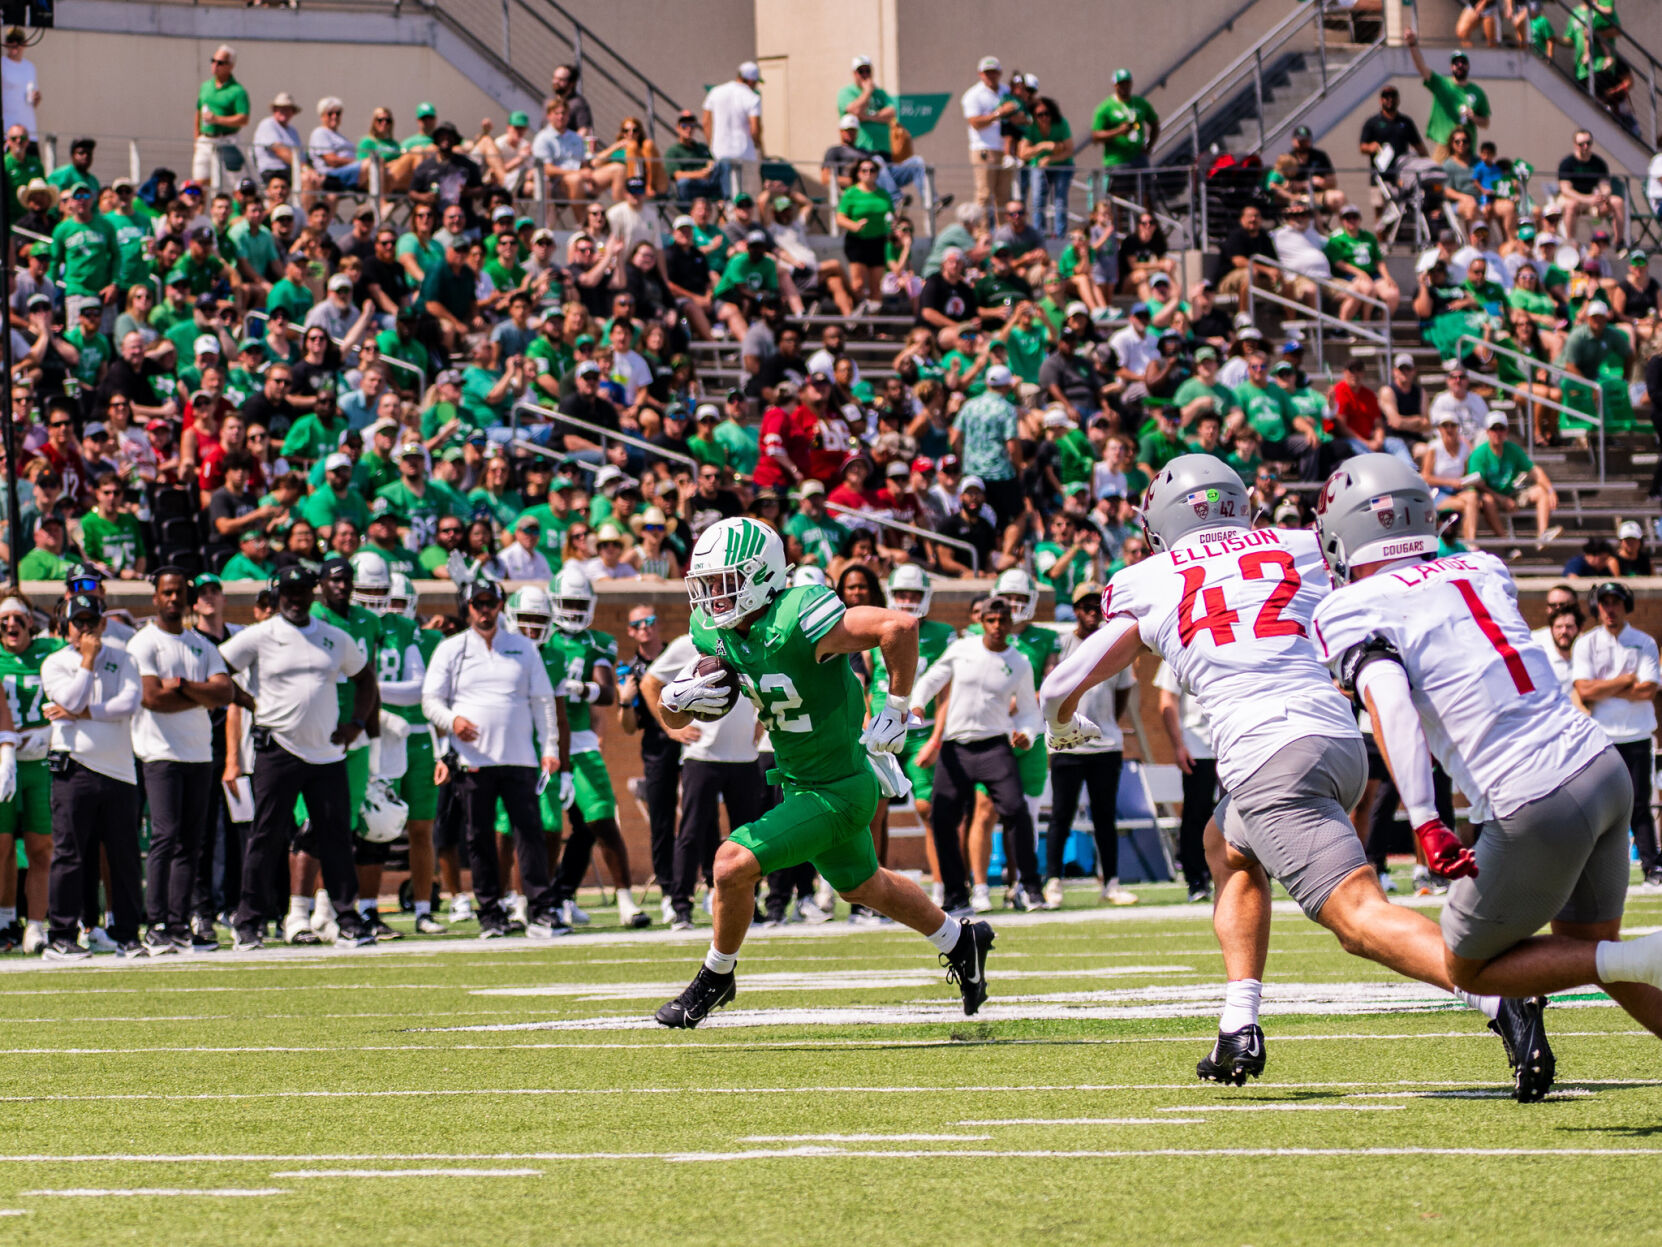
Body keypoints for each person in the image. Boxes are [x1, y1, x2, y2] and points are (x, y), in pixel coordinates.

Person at [1039, 454, 1533, 1088]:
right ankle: (1237, 1028)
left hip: (1268, 755)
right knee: (1225, 845)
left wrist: (1060, 719)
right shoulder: (1302, 545)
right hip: (1335, 736)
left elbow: (1062, 682)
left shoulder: (1148, 578)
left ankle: (1496, 994)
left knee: (1357, 918)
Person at [1313, 454, 1662, 1096]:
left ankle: (1641, 954)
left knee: (1468, 968)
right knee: (1591, 948)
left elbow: (1392, 707)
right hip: (1602, 768)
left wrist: (1425, 820)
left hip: (1533, 796)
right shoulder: (1481, 565)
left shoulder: (1350, 607)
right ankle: (1635, 958)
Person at [652, 516, 994, 1027]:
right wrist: (675, 699)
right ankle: (960, 938)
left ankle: (716, 975)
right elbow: (673, 718)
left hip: (840, 787)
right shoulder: (712, 631)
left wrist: (896, 708)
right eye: (707, 585)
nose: (715, 597)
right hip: (799, 782)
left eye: (726, 582)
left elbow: (898, 627)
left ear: (763, 576)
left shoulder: (798, 613)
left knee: (730, 864)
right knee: (865, 887)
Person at [219, 565, 378, 950]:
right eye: (288, 592)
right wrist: (244, 699)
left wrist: (356, 724)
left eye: (302, 590)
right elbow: (217, 670)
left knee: (336, 836)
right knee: (266, 836)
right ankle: (250, 919)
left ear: (314, 594)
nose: (295, 598)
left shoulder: (333, 637)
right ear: (277, 596)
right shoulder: (260, 636)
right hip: (279, 749)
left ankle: (346, 916)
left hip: (327, 752)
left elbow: (365, 678)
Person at [421, 576, 570, 939]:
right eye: (478, 604)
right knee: (478, 836)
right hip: (473, 760)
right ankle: (490, 912)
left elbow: (543, 701)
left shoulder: (523, 646)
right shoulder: (451, 649)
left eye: (490, 603)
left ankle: (540, 909)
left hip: (519, 758)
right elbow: (430, 699)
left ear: (500, 605)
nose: (484, 611)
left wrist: (550, 749)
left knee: (530, 833)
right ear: (468, 607)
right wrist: (452, 720)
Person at [910, 592, 1043, 913]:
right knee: (942, 817)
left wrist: (1026, 733)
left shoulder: (1019, 663)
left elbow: (1028, 711)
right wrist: (915, 705)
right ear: (981, 622)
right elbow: (930, 681)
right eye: (991, 620)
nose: (997, 626)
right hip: (956, 748)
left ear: (1011, 624)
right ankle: (957, 893)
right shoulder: (961, 649)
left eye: (1003, 621)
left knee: (1016, 810)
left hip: (995, 747)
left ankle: (1030, 887)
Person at [129, 567, 235, 953]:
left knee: (192, 842)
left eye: (179, 593)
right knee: (165, 836)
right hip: (160, 753)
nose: (173, 599)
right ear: (156, 597)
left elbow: (225, 692)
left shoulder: (201, 646)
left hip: (198, 754)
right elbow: (152, 697)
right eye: (166, 593)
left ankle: (178, 921)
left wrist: (185, 686)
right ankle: (156, 922)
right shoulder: (144, 643)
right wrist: (200, 695)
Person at [532, 570, 645, 929]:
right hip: (540, 743)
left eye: (580, 604)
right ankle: (542, 899)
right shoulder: (539, 640)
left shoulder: (598, 641)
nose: (574, 611)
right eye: (568, 603)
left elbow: (608, 692)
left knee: (599, 820)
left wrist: (578, 689)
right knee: (546, 827)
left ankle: (624, 901)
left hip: (579, 739)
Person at [38, 593, 143, 961]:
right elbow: (69, 694)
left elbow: (129, 704)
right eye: (77, 622)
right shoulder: (55, 662)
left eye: (90, 621)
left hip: (119, 770)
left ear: (102, 623)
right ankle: (62, 935)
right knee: (69, 855)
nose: (85, 629)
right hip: (75, 768)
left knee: (124, 856)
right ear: (65, 627)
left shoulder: (125, 658)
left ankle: (127, 933)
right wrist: (87, 660)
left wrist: (82, 714)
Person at [647, 619, 764, 931]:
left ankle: (750, 903)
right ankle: (680, 904)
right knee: (692, 831)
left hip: (744, 755)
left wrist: (761, 720)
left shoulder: (750, 640)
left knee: (751, 836)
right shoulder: (690, 643)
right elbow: (651, 681)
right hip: (702, 755)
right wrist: (671, 729)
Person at [1043, 579, 1136, 910]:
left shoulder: (1114, 644)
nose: (1092, 612)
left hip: (1105, 744)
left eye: (1097, 605)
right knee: (1061, 815)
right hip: (1067, 744)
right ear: (1075, 610)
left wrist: (1105, 723)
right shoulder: (1062, 644)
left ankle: (1110, 882)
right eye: (1085, 606)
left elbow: (1124, 689)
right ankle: (1053, 881)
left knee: (1104, 816)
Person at [1572, 580, 1661, 886]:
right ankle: (1593, 870)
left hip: (1636, 733)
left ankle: (1652, 867)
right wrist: (1624, 681)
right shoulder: (1585, 643)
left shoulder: (1644, 641)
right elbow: (1583, 688)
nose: (1610, 609)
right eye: (1605, 602)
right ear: (1598, 607)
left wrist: (1604, 688)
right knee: (1596, 806)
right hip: (1601, 736)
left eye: (1616, 602)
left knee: (1639, 804)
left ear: (1626, 605)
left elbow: (1648, 689)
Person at [617, 603, 685, 922]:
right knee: (661, 821)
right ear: (631, 631)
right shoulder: (629, 670)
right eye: (638, 623)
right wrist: (624, 698)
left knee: (701, 816)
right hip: (657, 746)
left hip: (690, 741)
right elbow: (628, 727)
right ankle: (670, 893)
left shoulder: (678, 653)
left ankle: (709, 886)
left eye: (650, 621)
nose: (645, 627)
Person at [1155, 657, 1215, 903]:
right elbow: (1167, 698)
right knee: (1196, 812)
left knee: (1243, 813)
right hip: (1197, 744)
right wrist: (1178, 745)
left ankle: (1252, 874)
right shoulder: (1178, 643)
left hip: (1234, 741)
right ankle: (1197, 879)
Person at [1406, 32, 1490, 162]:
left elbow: (1485, 122)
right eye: (1456, 63)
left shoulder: (1477, 92)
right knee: (1437, 179)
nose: (1460, 65)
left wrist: (1474, 117)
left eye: (1463, 62)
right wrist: (1412, 44)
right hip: (1444, 144)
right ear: (1451, 67)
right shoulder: (1442, 84)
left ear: (1468, 66)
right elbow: (1421, 68)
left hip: (1466, 146)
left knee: (1466, 180)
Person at [962, 55, 1018, 217]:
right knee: (984, 194)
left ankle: (1002, 234)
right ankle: (982, 234)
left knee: (1004, 196)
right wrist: (999, 113)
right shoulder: (973, 94)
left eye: (994, 72)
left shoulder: (1006, 92)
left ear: (1000, 73)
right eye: (987, 73)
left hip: (1005, 150)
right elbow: (975, 122)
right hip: (984, 149)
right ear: (980, 74)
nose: (991, 76)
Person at [1091, 68, 1158, 197]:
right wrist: (1118, 132)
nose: (1124, 87)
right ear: (1115, 85)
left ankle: (1145, 217)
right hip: (1117, 160)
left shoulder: (1140, 103)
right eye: (1121, 84)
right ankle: (1119, 217)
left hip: (1139, 157)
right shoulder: (1106, 107)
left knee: (1146, 195)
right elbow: (1095, 136)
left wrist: (1149, 146)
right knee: (1119, 198)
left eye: (1127, 83)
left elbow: (1155, 124)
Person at [703, 62, 764, 191]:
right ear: (751, 81)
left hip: (719, 153)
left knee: (726, 196)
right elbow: (755, 129)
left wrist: (711, 146)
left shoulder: (715, 92)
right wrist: (759, 148)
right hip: (745, 154)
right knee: (745, 199)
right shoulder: (752, 97)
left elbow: (706, 123)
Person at [193, 45, 249, 183]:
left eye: (220, 62)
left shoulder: (237, 91)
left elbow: (243, 118)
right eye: (213, 61)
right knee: (201, 183)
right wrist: (197, 138)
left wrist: (217, 119)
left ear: (230, 66)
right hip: (206, 140)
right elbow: (198, 112)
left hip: (228, 140)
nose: (215, 65)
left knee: (236, 183)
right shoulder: (205, 86)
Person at [1556, 130, 1625, 241]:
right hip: (1574, 199)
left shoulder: (1598, 163)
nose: (1585, 146)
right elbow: (1566, 190)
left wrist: (1603, 195)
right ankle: (1570, 242)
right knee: (1571, 204)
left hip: (1592, 202)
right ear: (1575, 145)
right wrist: (1587, 199)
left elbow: (1605, 185)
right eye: (1581, 144)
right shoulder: (1567, 163)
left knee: (1617, 201)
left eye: (1588, 143)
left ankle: (1619, 242)